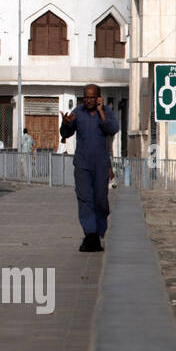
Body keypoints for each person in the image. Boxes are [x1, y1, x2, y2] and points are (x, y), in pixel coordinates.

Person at [60, 85, 118, 252]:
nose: (88, 100)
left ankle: (99, 231)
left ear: (99, 98)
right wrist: (65, 124)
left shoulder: (107, 112)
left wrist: (100, 112)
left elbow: (112, 129)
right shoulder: (78, 112)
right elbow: (66, 134)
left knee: (100, 200)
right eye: (86, 97)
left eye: (92, 97)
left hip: (101, 164)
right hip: (83, 164)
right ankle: (90, 233)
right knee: (85, 199)